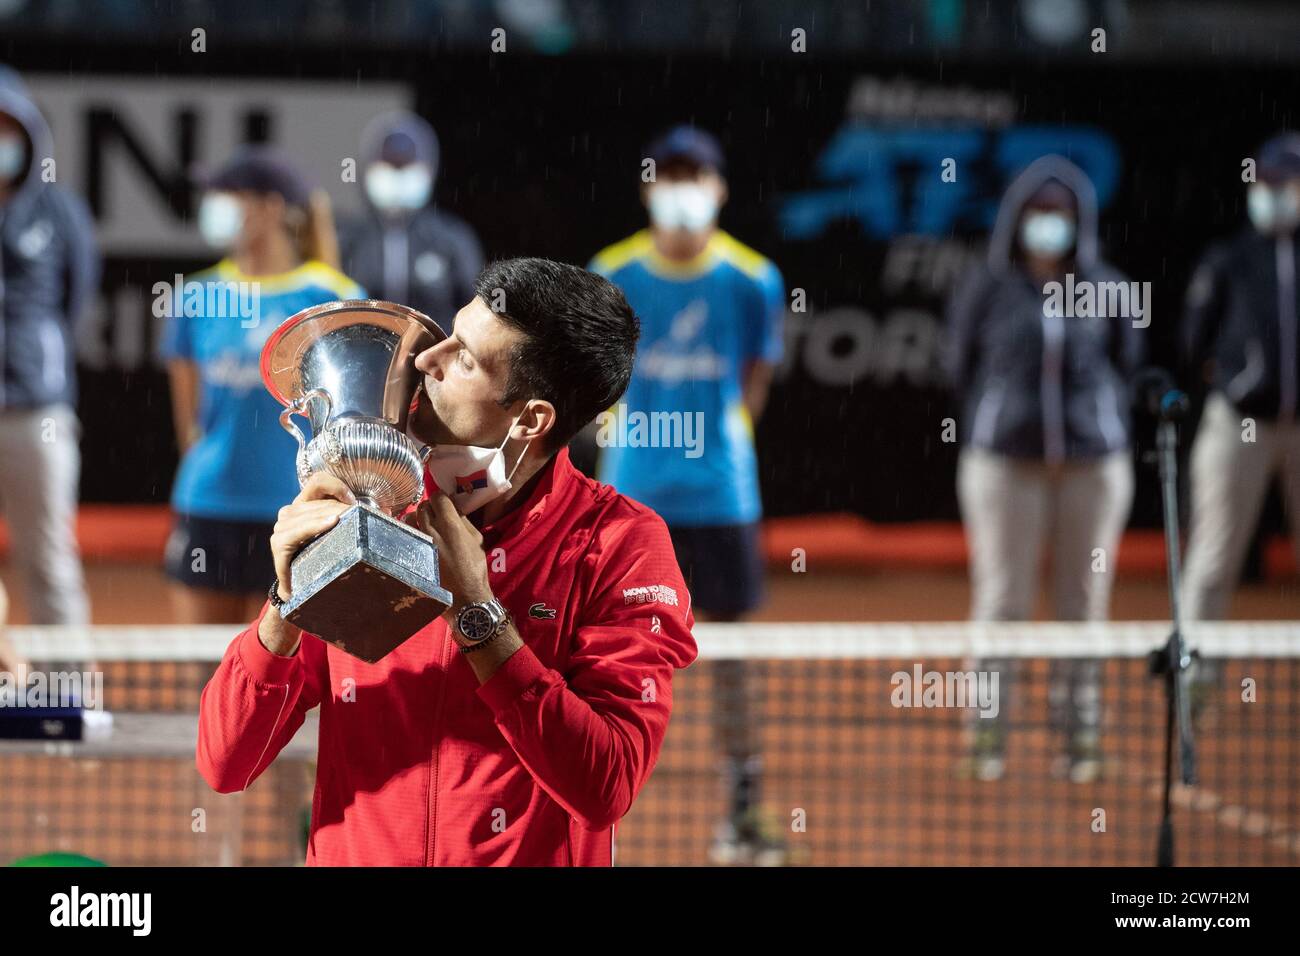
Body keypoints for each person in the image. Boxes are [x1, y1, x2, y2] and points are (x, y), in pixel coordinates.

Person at [195, 258, 698, 866]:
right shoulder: (366, 508)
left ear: (533, 418)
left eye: (463, 358)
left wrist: (478, 615)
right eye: (450, 335)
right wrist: (285, 606)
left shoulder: (619, 544)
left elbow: (606, 785)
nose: (424, 360)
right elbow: (225, 761)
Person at [588, 126, 787, 865]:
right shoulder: (610, 276)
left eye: (694, 176)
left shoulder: (752, 279)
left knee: (732, 661)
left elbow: (754, 383)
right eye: (668, 177)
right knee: (604, 658)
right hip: (630, 503)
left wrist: (711, 442)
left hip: (721, 501)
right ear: (647, 188)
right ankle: (590, 808)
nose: (680, 190)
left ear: (720, 188)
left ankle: (740, 812)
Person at [944, 155, 1144, 784]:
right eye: (1038, 213)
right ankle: (987, 736)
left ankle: (1077, 733)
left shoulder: (1109, 285)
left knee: (1083, 603)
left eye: (1060, 215)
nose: (1048, 225)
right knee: (1003, 601)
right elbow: (959, 365)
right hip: (1003, 467)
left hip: (1094, 468)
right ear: (1017, 218)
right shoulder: (986, 285)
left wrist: (1089, 425)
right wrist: (1007, 420)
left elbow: (1127, 363)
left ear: (1079, 221)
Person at [161, 146, 364, 625]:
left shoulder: (331, 296)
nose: (214, 206)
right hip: (209, 507)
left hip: (299, 509)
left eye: (227, 195)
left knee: (286, 665)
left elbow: (349, 414)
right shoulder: (193, 297)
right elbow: (189, 423)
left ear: (270, 207)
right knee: (204, 671)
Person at [1180, 133, 1300, 620]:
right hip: (1238, 424)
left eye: (1285, 182)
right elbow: (1194, 340)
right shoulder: (1229, 257)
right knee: (1213, 560)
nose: (1271, 192)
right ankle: (1193, 689)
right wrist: (1237, 381)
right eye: (1265, 181)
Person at [0, 66, 98, 630]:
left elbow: (72, 303)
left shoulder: (60, 214)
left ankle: (65, 701)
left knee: (48, 561)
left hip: (36, 417)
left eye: (7, 130)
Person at [337, 110, 483, 333]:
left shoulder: (452, 239)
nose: (398, 174)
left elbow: (475, 308)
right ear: (368, 168)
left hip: (434, 362)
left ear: (429, 169)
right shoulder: (346, 238)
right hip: (361, 360)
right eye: (389, 165)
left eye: (407, 165)